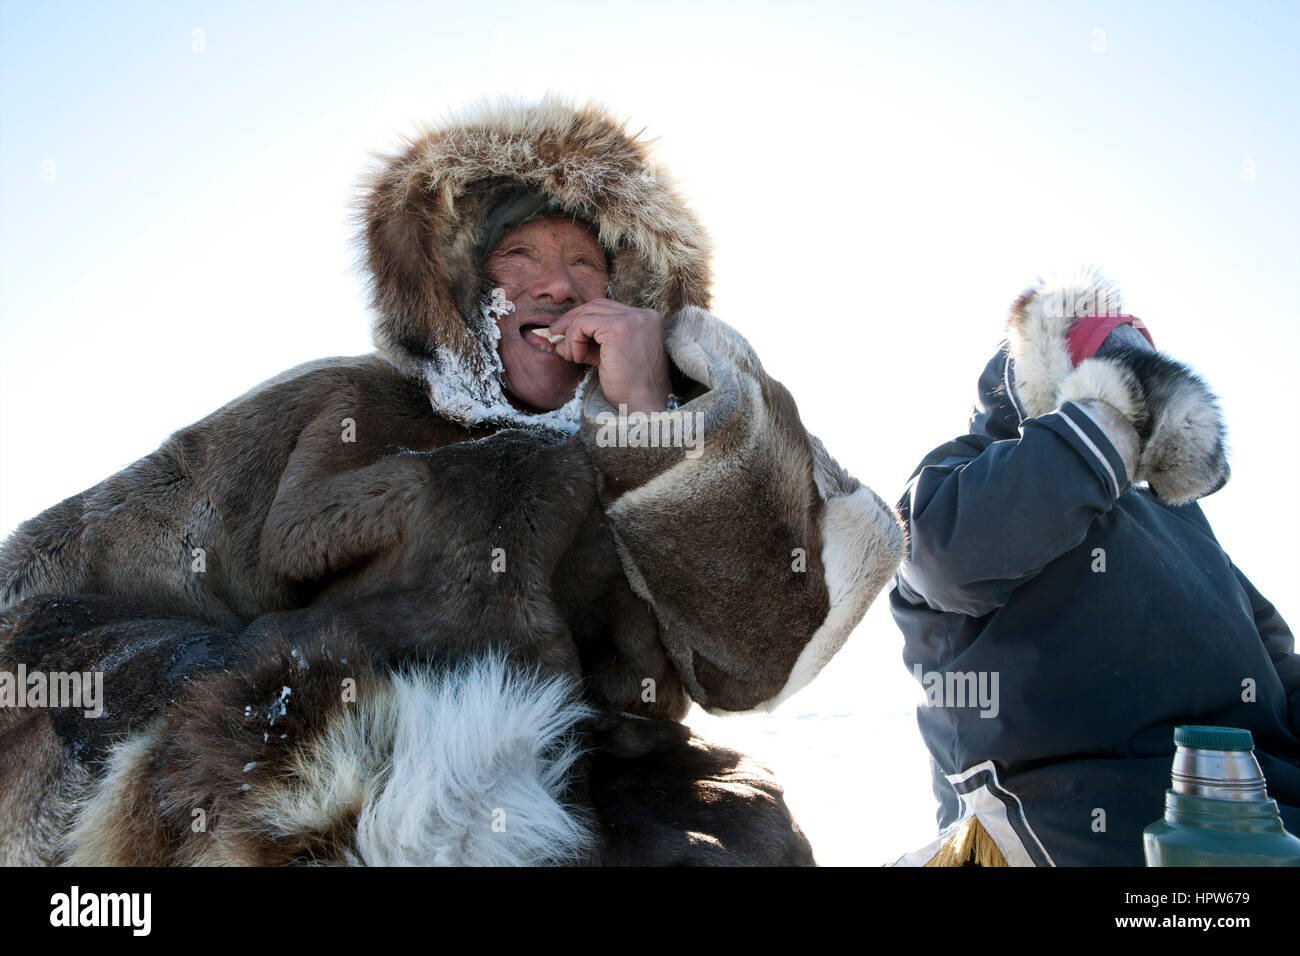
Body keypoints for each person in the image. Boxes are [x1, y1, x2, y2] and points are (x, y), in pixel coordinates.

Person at [0, 96, 904, 865]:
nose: (556, 285)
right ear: (459, 286)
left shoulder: (668, 436)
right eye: (521, 257)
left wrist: (655, 421)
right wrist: (251, 713)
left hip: (608, 813)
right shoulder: (334, 407)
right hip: (325, 808)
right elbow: (55, 582)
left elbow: (753, 664)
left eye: (587, 262)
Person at [889, 270, 1300, 866]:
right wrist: (1103, 425)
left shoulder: (1181, 524)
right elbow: (940, 559)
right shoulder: (963, 473)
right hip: (1071, 815)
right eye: (1118, 373)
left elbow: (1269, 657)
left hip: (1258, 802)